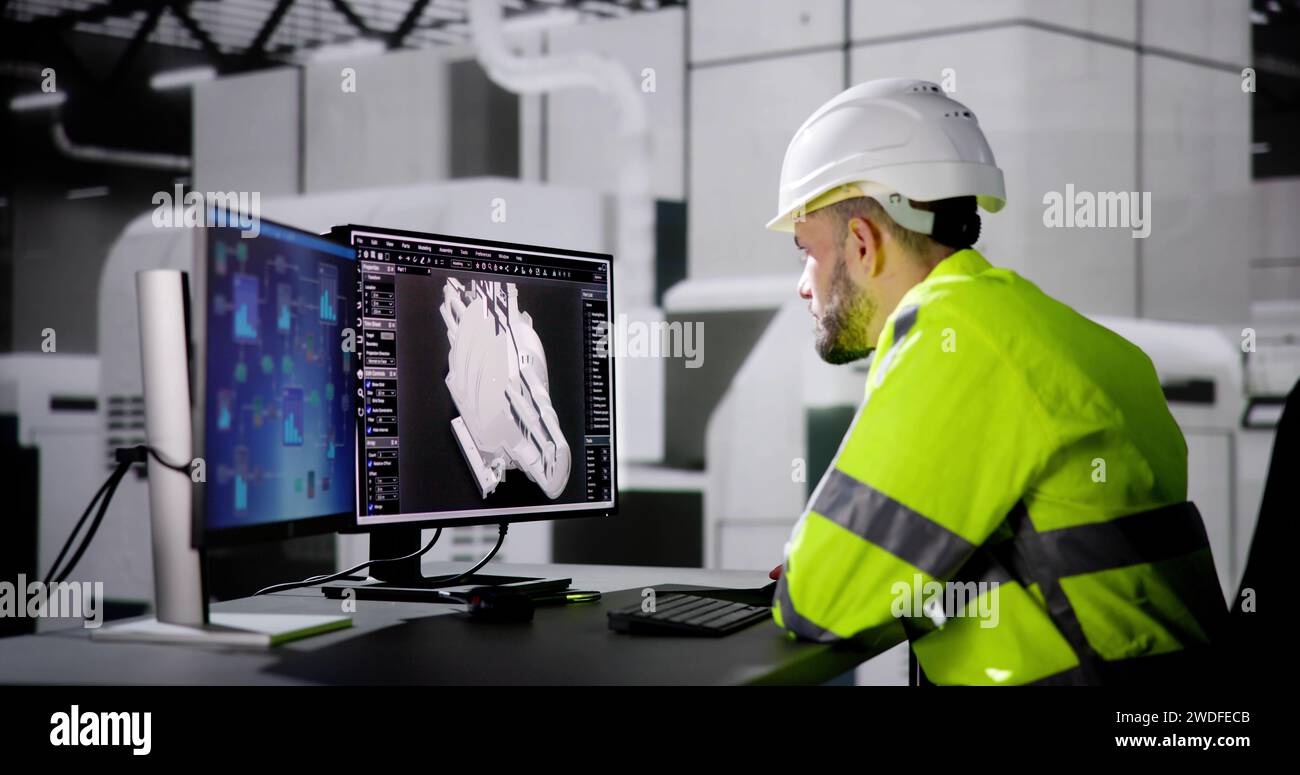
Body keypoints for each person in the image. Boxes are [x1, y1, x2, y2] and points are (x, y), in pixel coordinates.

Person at [764, 79, 1227, 685]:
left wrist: (833, 569)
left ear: (861, 243)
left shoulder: (954, 342)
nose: (804, 284)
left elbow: (817, 603)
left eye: (807, 251)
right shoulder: (1082, 342)